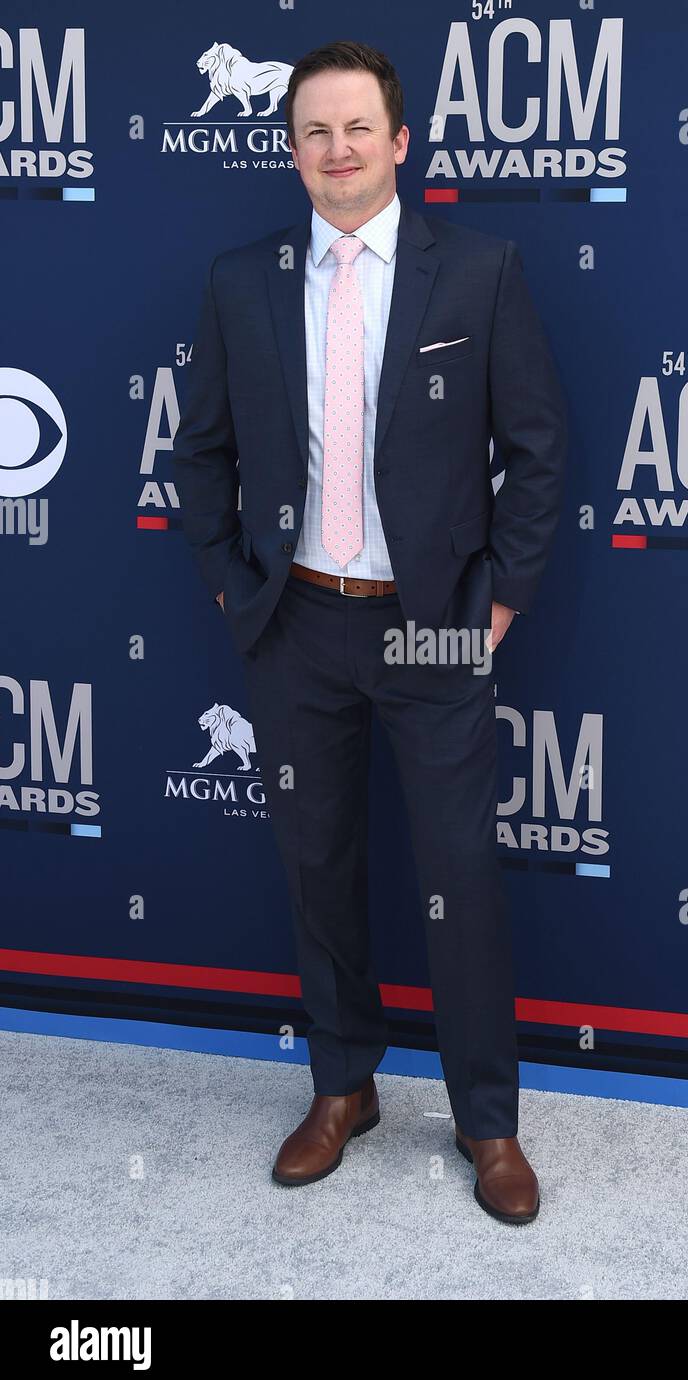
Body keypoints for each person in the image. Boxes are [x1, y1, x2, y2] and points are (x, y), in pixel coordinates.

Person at [172, 39, 567, 1224]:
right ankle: (342, 1085)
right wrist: (234, 590)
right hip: (296, 623)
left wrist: (494, 607)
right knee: (317, 867)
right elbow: (198, 456)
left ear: (401, 143)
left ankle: (487, 1121)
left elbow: (538, 454)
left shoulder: (479, 272)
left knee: (459, 878)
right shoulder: (242, 280)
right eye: (312, 133)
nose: (335, 151)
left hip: (434, 632)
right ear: (289, 151)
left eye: (357, 130)